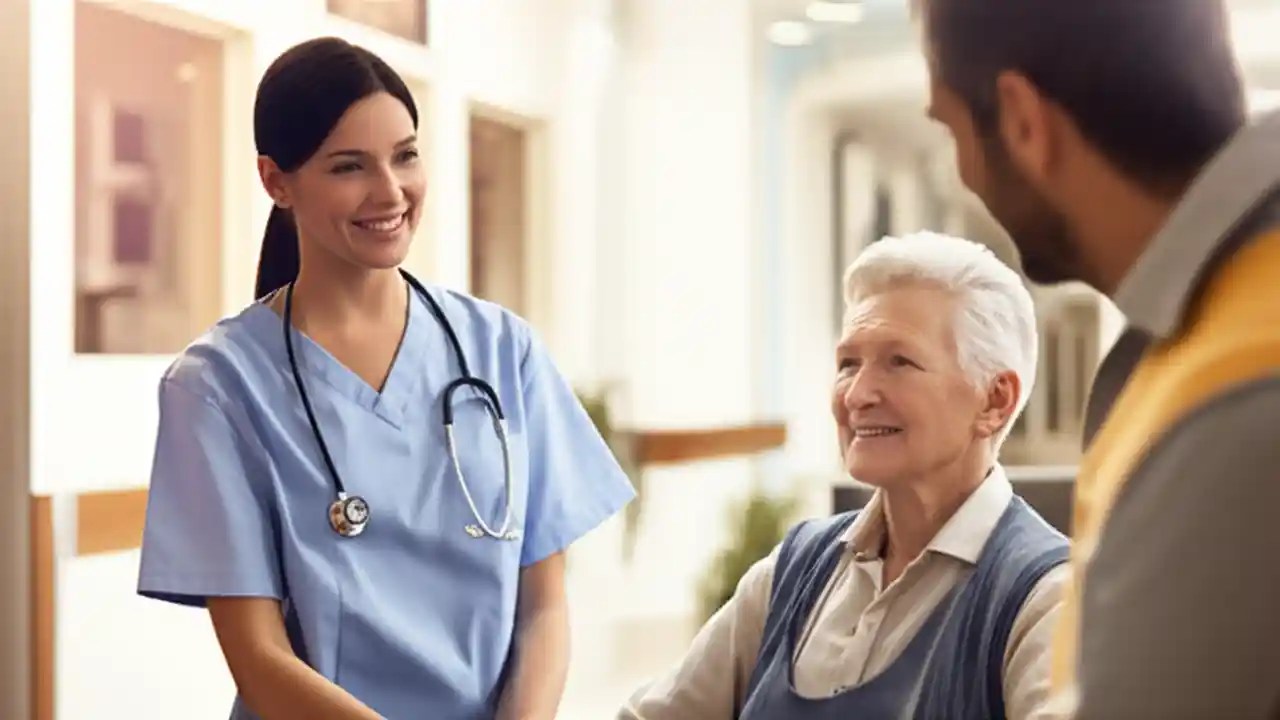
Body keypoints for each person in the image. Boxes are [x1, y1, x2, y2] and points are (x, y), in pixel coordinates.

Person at [136, 37, 634, 720]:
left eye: (406, 155)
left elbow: (543, 605)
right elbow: (258, 658)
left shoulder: (500, 350)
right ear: (276, 180)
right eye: (349, 167)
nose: (390, 191)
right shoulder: (219, 387)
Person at [917, 0, 1280, 716]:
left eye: (951, 128)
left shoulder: (1238, 400)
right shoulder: (1205, 328)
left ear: (1022, 122)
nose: (962, 171)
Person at [621, 233, 1069, 719]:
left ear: (994, 400)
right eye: (848, 363)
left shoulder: (1047, 601)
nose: (857, 394)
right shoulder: (789, 576)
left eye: (899, 362)